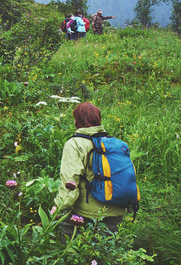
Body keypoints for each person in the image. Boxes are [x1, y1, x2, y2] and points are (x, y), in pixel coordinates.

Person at [51, 102, 126, 238]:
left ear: (76, 121)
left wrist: (58, 206)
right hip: (117, 209)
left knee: (69, 241)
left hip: (88, 212)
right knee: (107, 253)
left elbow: (70, 181)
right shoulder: (115, 143)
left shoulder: (74, 144)